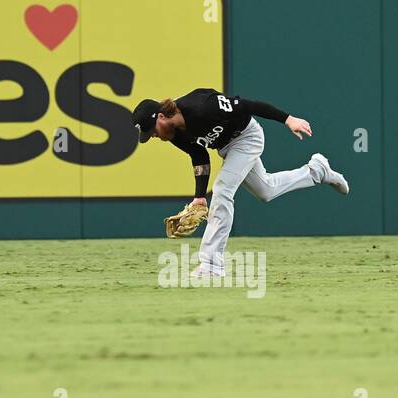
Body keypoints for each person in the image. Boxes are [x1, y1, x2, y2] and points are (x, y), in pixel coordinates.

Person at [132, 89, 349, 278]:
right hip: (228, 147)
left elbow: (247, 105)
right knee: (266, 190)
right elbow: (199, 157)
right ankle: (316, 171)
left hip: (247, 137)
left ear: (161, 116)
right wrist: (199, 197)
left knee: (222, 190)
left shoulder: (201, 106)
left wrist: (288, 119)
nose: (154, 136)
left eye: (153, 131)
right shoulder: (175, 134)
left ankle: (211, 265)